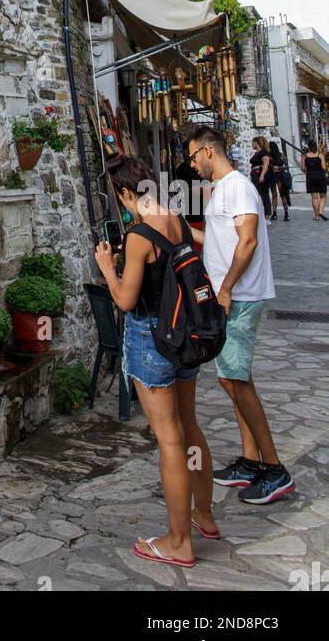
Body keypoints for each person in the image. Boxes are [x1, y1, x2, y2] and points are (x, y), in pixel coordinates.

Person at [94, 155, 217, 568]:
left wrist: (107, 269)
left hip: (151, 339)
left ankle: (178, 541)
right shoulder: (177, 219)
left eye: (121, 198)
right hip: (185, 336)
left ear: (128, 193)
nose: (123, 205)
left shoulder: (138, 235)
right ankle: (204, 515)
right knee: (190, 426)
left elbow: (126, 300)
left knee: (168, 439)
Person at [187, 127, 295, 505]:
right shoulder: (224, 190)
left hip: (240, 296)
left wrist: (228, 287)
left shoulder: (237, 187)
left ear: (207, 151)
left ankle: (275, 470)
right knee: (233, 379)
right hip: (227, 295)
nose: (192, 164)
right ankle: (251, 460)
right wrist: (184, 232)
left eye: (193, 156)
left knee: (236, 380)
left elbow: (247, 240)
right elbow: (220, 240)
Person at [301, 138, 328, 221]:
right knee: (323, 196)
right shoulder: (320, 155)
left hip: (310, 177)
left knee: (314, 197)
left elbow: (302, 168)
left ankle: (316, 216)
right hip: (320, 176)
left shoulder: (304, 156)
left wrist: (308, 169)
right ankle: (320, 212)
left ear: (308, 146)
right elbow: (323, 167)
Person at [249, 136, 273, 219]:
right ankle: (261, 211)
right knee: (258, 193)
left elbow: (266, 164)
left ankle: (267, 214)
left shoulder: (264, 152)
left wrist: (262, 175)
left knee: (264, 194)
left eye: (253, 142)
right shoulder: (257, 153)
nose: (252, 144)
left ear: (256, 142)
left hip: (259, 174)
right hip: (255, 174)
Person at [267, 140, 291, 221]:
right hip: (276, 176)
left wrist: (277, 167)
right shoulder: (277, 156)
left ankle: (279, 212)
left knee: (279, 194)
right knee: (279, 194)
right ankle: (282, 213)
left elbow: (285, 164)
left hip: (277, 176)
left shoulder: (274, 156)